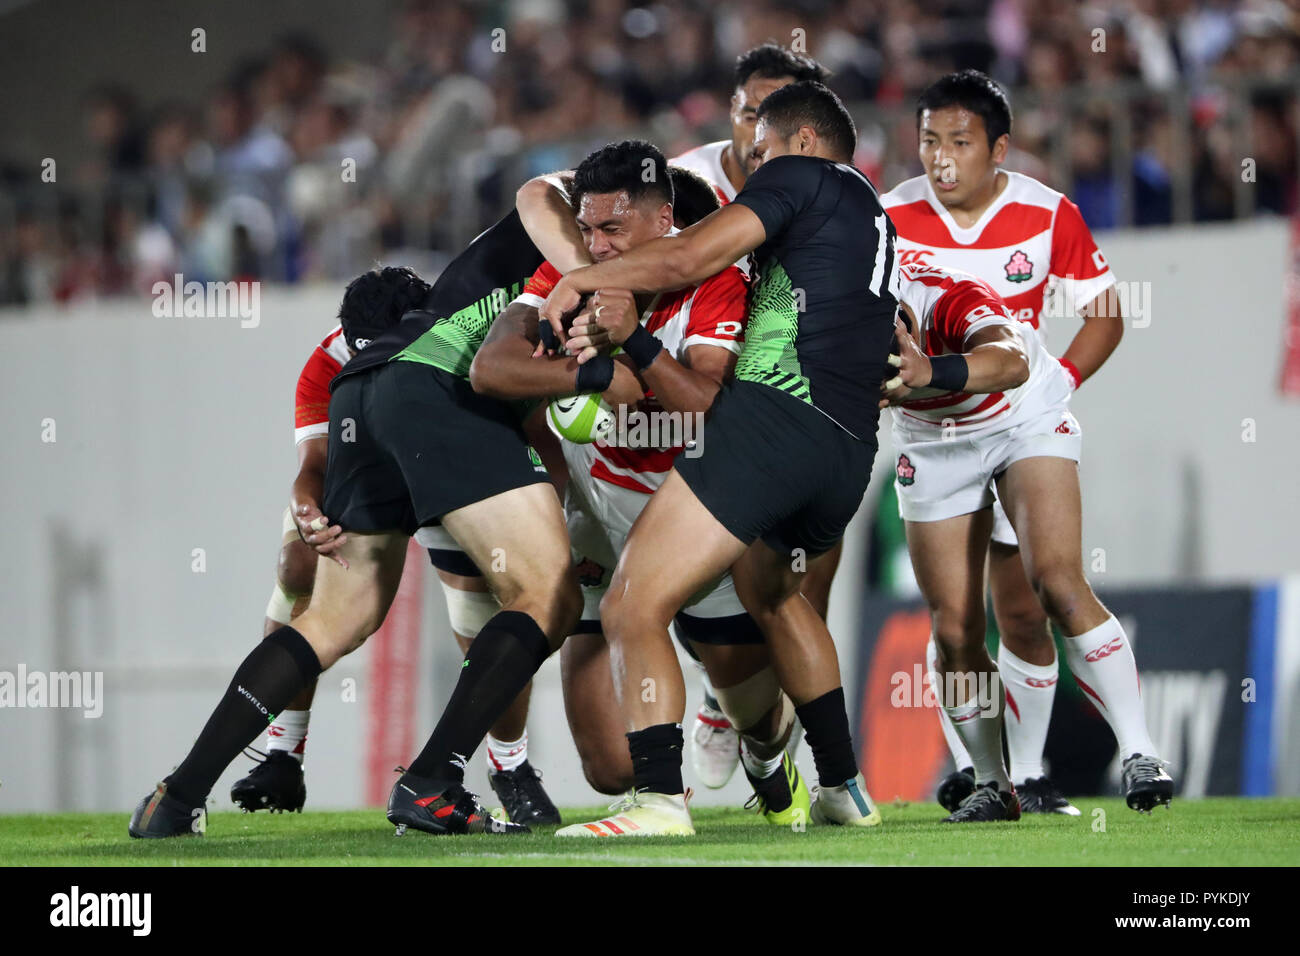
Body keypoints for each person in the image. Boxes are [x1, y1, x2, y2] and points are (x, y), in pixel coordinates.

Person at [129, 205, 593, 839]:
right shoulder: (560, 266)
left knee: (334, 619)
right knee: (547, 596)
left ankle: (176, 797)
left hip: (372, 402)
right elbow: (530, 422)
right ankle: (432, 781)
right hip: (440, 401)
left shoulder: (351, 353)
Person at [538, 82, 897, 836]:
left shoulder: (805, 176)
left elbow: (688, 257)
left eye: (760, 151)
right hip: (849, 449)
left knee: (634, 601)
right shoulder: (874, 219)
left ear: (802, 143)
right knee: (772, 595)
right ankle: (844, 787)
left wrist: (585, 278)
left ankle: (660, 802)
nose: (752, 165)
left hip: (774, 422)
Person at [480, 146, 809, 826]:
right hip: (603, 513)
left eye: (612, 231)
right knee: (608, 766)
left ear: (665, 223)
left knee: (761, 721)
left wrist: (634, 348)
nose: (594, 248)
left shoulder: (717, 282)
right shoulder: (572, 274)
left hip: (697, 515)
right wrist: (597, 382)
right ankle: (656, 796)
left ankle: (769, 762)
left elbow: (706, 408)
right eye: (588, 229)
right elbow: (493, 368)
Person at [881, 69, 1172, 813]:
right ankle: (996, 782)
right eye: (928, 141)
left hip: (1023, 418)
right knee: (953, 628)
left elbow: (1105, 313)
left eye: (960, 141)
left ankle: (1138, 752)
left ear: (1000, 148)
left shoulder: (1048, 215)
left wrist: (1060, 383)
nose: (940, 158)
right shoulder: (883, 220)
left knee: (1049, 588)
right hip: (932, 430)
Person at [229, 266, 560, 826]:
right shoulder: (326, 361)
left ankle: (510, 765)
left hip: (450, 472)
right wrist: (308, 513)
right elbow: (313, 465)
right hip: (371, 481)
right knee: (296, 563)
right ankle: (285, 750)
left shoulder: (470, 338)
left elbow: (538, 444)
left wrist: (555, 525)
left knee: (490, 621)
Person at [667, 42, 833, 791]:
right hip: (690, 405)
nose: (754, 128)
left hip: (793, 405)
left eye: (772, 113)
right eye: (745, 110)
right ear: (730, 113)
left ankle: (802, 764)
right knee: (696, 582)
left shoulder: (832, 189)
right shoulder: (681, 181)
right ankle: (718, 690)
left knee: (798, 592)